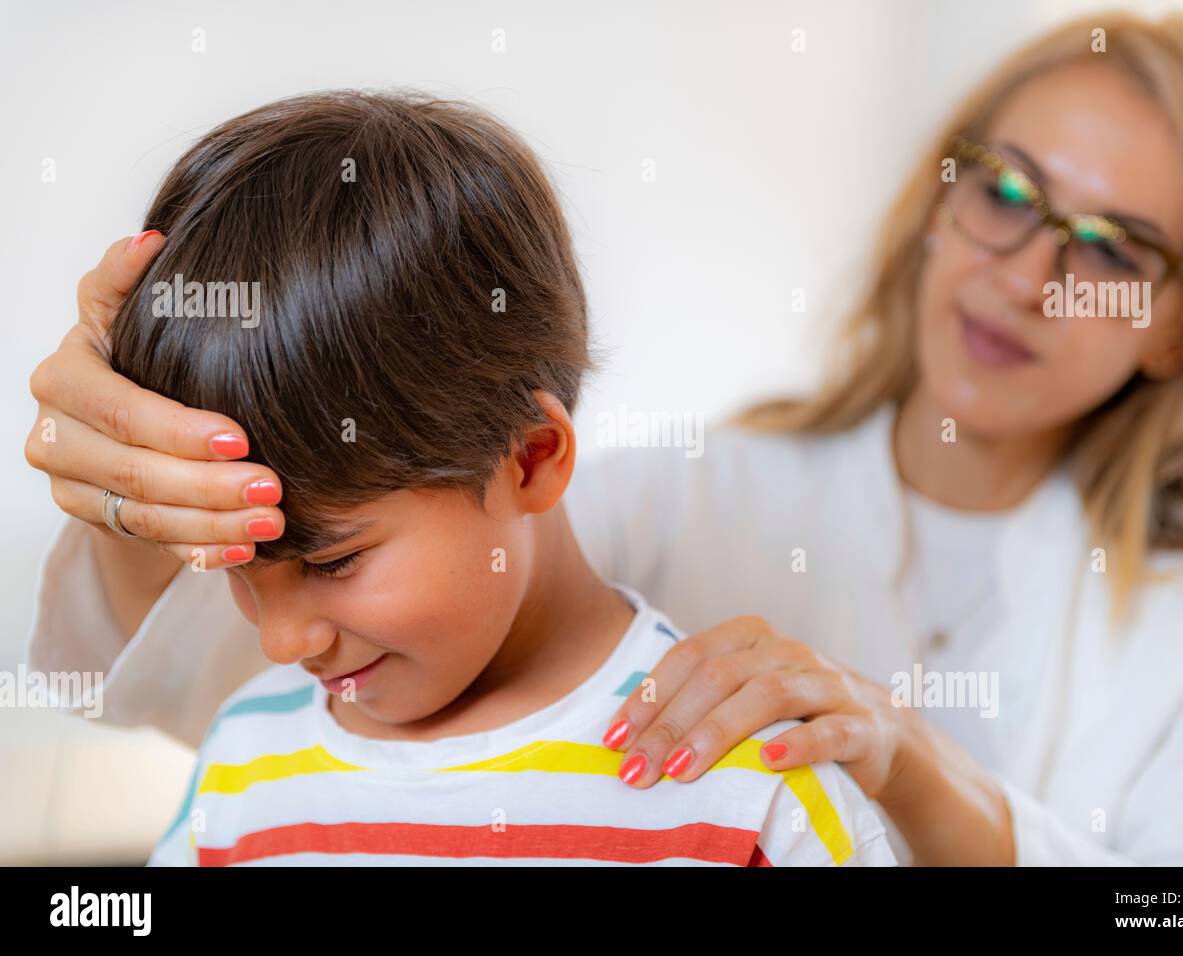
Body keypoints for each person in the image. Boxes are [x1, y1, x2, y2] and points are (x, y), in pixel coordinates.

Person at [25, 12, 1183, 865]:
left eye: (1113, 249)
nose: (1027, 273)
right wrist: (147, 479)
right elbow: (263, 694)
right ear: (938, 202)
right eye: (1006, 191)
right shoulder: (660, 499)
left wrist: (908, 764)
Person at [106, 90, 894, 867]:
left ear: (530, 458)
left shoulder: (750, 793)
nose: (281, 644)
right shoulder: (244, 766)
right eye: (239, 567)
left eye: (330, 560)